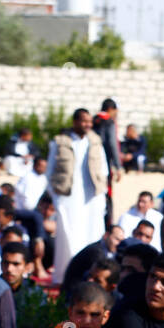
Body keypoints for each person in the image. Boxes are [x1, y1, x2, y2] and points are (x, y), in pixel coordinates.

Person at [46, 109, 107, 287]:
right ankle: (64, 278)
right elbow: (50, 171)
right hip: (67, 198)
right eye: (84, 121)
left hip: (91, 197)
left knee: (91, 234)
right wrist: (55, 197)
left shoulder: (95, 141)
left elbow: (103, 169)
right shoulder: (60, 142)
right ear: (75, 122)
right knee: (68, 236)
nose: (88, 125)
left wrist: (101, 195)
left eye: (90, 122)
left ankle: (90, 275)